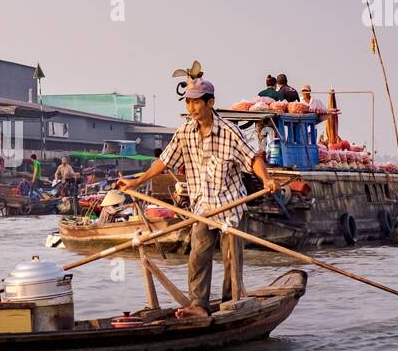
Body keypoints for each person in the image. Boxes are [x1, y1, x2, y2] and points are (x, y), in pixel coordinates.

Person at [116, 78, 277, 318]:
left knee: (232, 261)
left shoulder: (229, 132)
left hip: (230, 208)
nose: (191, 107)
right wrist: (136, 182)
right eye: (188, 102)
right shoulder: (184, 133)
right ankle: (198, 305)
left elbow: (253, 158)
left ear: (210, 102)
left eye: (196, 102)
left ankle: (230, 304)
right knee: (197, 256)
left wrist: (266, 179)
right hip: (202, 208)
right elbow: (164, 161)